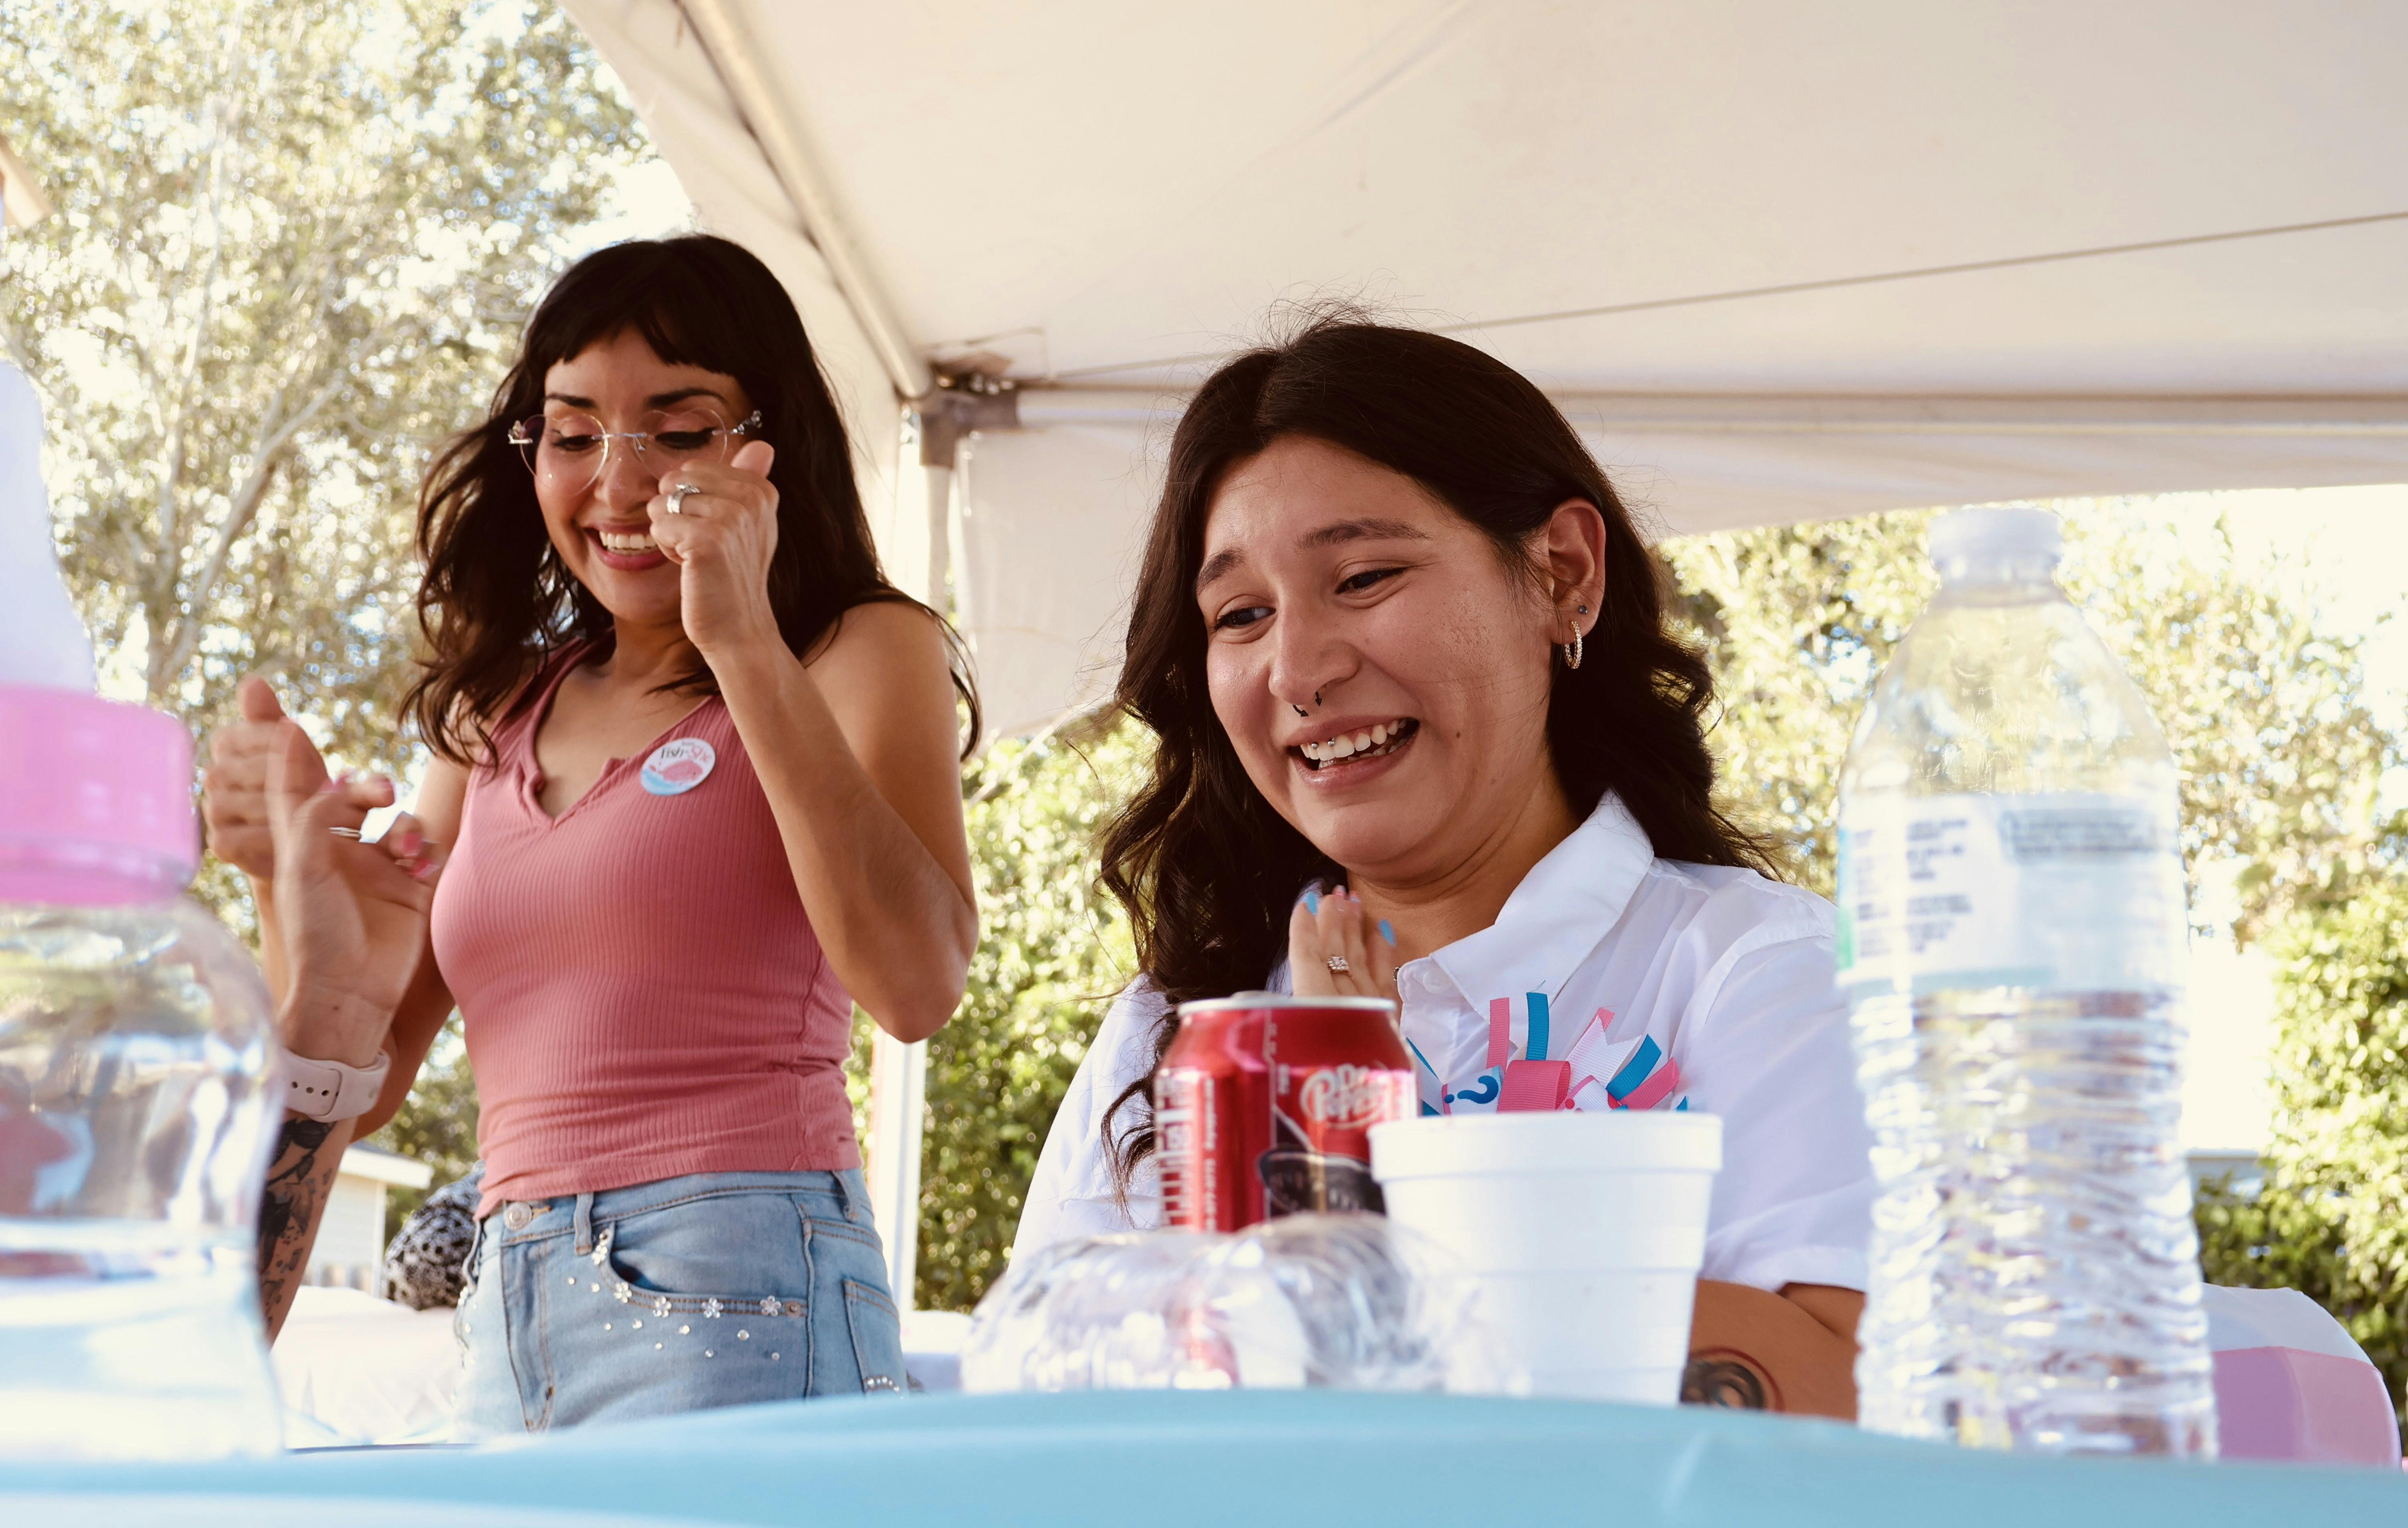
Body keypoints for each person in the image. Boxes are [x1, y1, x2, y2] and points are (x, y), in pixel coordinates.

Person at [1017, 314, 1876, 1419]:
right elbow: (1055, 1398)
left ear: (1563, 573)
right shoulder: (1173, 1027)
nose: (1301, 668)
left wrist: (1362, 1170)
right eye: (1240, 614)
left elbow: (1843, 1396)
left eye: (1366, 576)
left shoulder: (1755, 974)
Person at [203, 235, 979, 1432]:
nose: (617, 485)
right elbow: (357, 1086)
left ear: (772, 450)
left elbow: (920, 984)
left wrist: (743, 641)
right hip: (507, 1303)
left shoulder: (857, 651)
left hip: (746, 1272)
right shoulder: (496, 709)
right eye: (571, 434)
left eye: (677, 431)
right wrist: (282, 891)